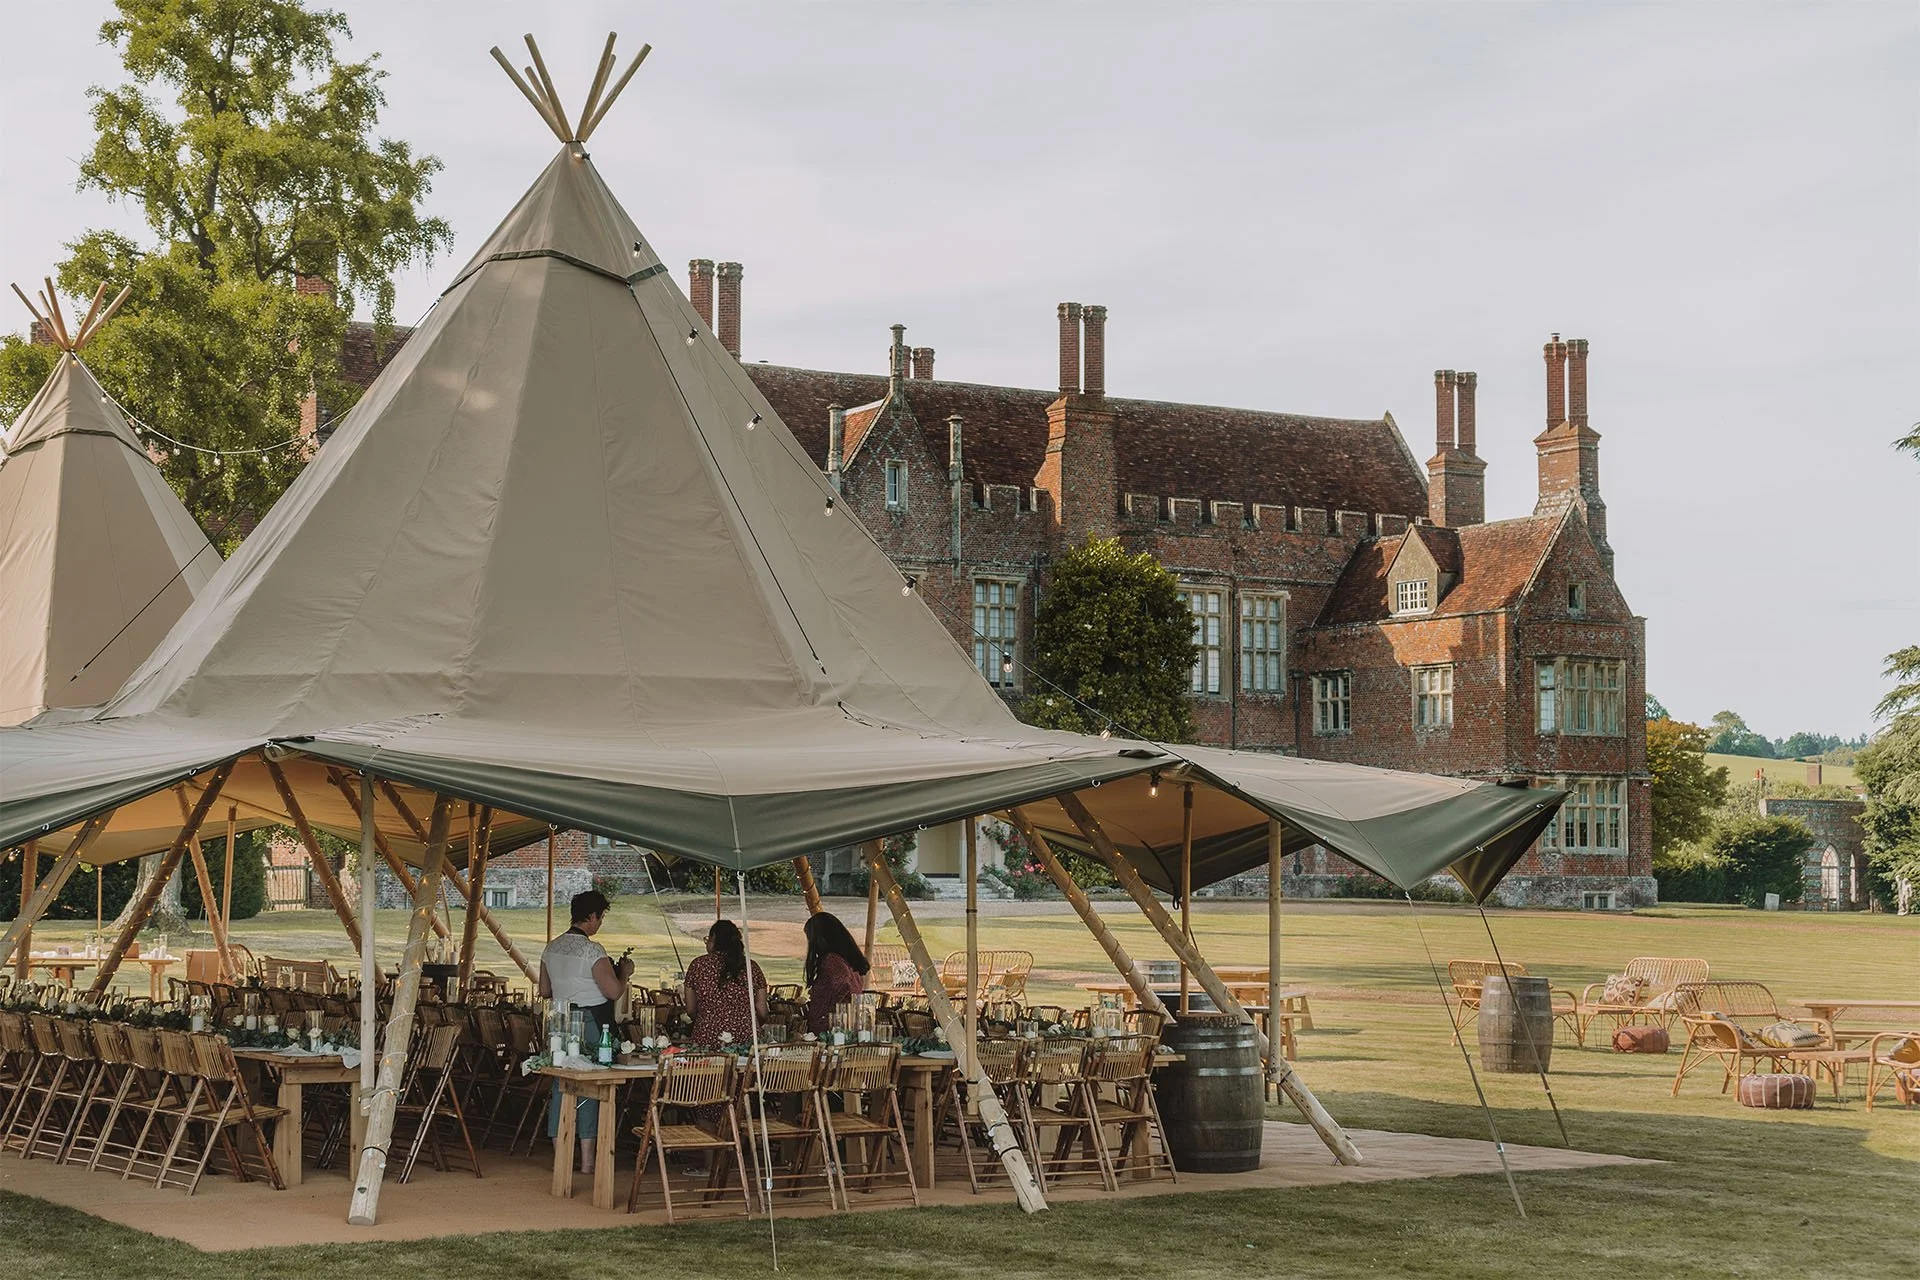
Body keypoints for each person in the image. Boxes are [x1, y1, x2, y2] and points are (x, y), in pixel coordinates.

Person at [537, 889, 634, 1175]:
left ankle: (560, 1156)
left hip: (560, 1022)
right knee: (590, 1089)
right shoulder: (592, 950)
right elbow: (613, 991)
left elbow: (544, 990)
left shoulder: (551, 947)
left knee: (560, 1087)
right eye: (600, 917)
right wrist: (625, 972)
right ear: (591, 917)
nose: (600, 923)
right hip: (590, 1022)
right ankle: (588, 1161)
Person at [684, 919, 768, 1047]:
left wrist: (707, 1018)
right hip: (746, 1037)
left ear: (714, 939)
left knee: (706, 1066)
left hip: (707, 1036)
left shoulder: (698, 965)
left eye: (708, 939)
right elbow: (762, 1010)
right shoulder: (752, 967)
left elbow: (690, 1009)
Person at [802, 911, 870, 1034]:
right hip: (846, 1026)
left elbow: (843, 984)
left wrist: (829, 1014)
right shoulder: (848, 960)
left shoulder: (831, 960)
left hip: (829, 1030)